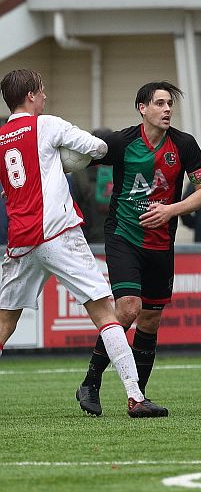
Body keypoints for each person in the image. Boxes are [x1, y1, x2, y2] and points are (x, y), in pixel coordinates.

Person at [0, 69, 162, 417]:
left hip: (20, 240)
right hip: (58, 232)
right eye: (42, 91)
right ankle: (135, 397)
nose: (45, 97)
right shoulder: (47, 125)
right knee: (105, 313)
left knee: (4, 323)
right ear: (31, 95)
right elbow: (97, 147)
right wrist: (66, 161)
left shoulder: (1, 138)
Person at [75, 82, 201, 417]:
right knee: (128, 308)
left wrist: (170, 210)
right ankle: (91, 382)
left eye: (170, 104)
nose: (167, 110)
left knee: (150, 319)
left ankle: (138, 398)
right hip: (124, 236)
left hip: (161, 243)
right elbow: (76, 160)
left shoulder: (184, 144)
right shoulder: (120, 142)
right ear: (142, 108)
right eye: (160, 103)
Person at [68, 127, 114, 244]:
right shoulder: (81, 174)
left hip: (119, 240)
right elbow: (73, 209)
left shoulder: (123, 170)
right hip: (90, 239)